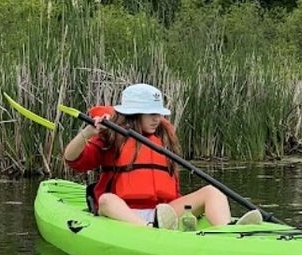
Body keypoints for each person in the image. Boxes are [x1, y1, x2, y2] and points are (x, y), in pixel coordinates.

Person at [63, 83, 264, 229]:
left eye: (158, 113)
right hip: (125, 211)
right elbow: (72, 159)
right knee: (107, 199)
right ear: (134, 114)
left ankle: (227, 231)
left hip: (165, 211)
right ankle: (147, 229)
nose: (157, 118)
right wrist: (88, 133)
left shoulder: (164, 137)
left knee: (213, 191)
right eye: (151, 114)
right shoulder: (111, 136)